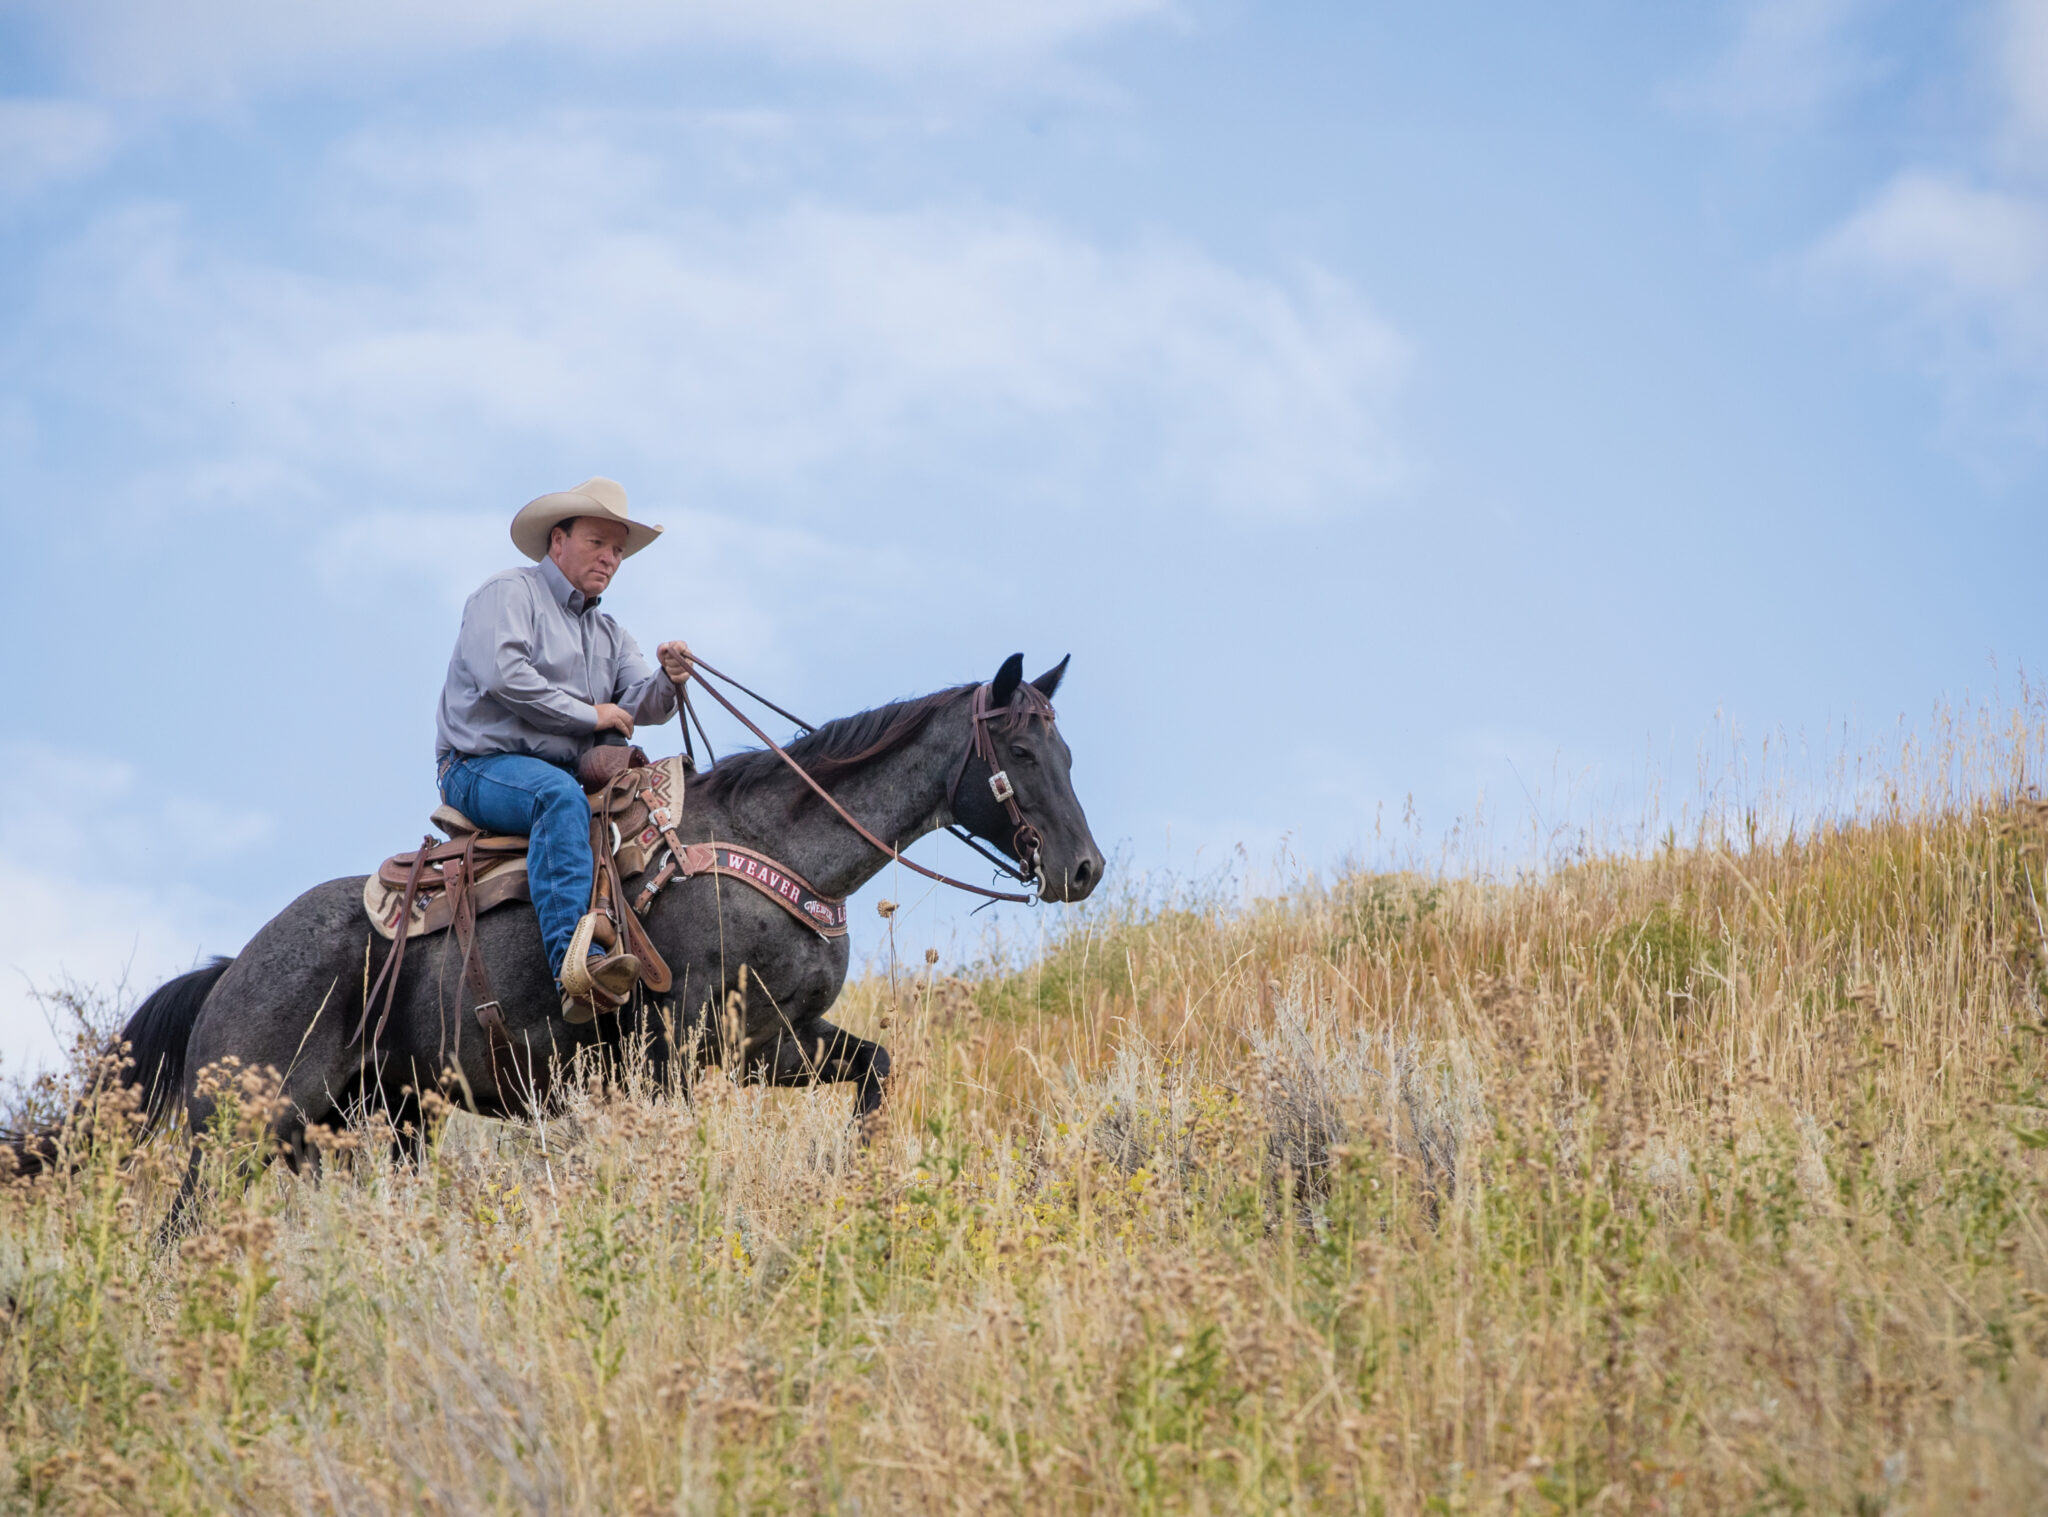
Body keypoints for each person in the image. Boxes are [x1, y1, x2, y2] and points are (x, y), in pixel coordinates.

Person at [435, 477, 692, 1022]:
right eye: (597, 542)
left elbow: (641, 701)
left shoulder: (611, 634)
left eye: (618, 549)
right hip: (479, 765)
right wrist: (589, 715)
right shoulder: (507, 593)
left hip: (559, 772)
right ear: (558, 541)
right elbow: (505, 676)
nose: (610, 558)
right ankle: (577, 970)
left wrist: (670, 679)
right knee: (557, 799)